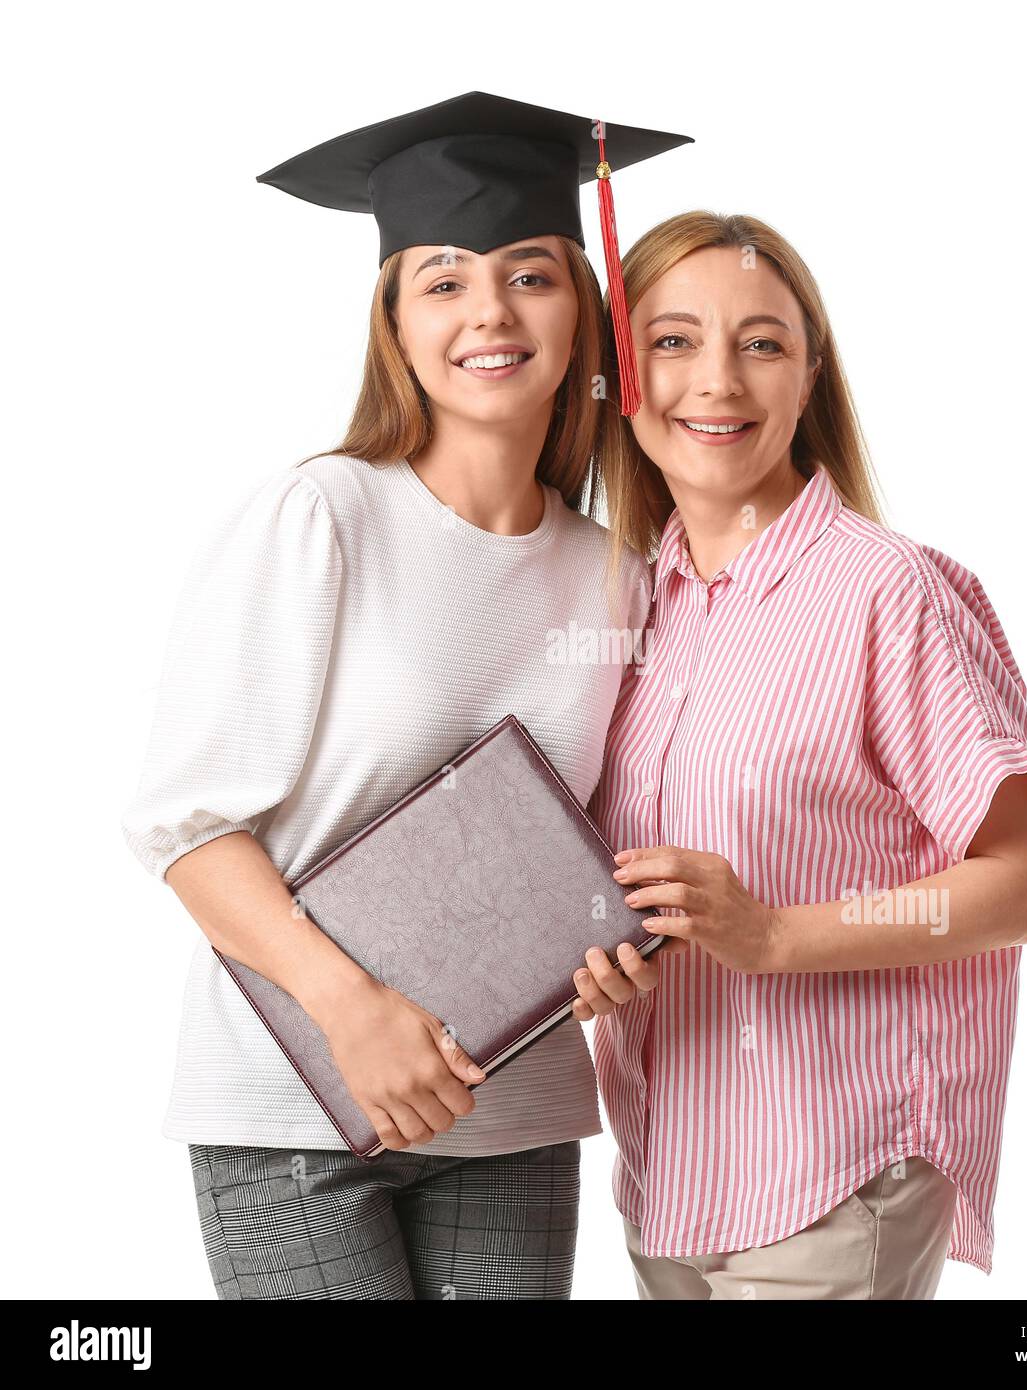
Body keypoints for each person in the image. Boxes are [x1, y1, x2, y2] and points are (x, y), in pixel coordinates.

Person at [119, 93, 690, 1301]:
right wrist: (350, 1009)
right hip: (296, 1105)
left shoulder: (620, 578)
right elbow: (187, 826)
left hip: (513, 1109)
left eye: (530, 275)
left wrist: (617, 949)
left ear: (584, 310)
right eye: (442, 281)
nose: (490, 311)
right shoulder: (323, 517)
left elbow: (603, 836)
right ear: (395, 321)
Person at [583, 210, 1027, 1300]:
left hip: (835, 1165)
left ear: (808, 380)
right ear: (622, 379)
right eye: (671, 341)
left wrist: (773, 933)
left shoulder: (887, 593)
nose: (717, 379)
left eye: (761, 343)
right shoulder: (626, 607)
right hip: (667, 1171)